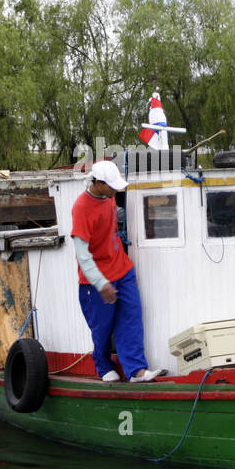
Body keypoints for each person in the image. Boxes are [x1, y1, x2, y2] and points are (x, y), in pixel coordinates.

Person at [71, 160, 163, 382]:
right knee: (102, 328)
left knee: (131, 317)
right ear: (98, 183)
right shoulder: (81, 208)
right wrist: (101, 283)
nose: (116, 190)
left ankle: (136, 371)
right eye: (111, 185)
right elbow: (82, 255)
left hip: (122, 268)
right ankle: (103, 366)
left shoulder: (110, 196)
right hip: (96, 280)